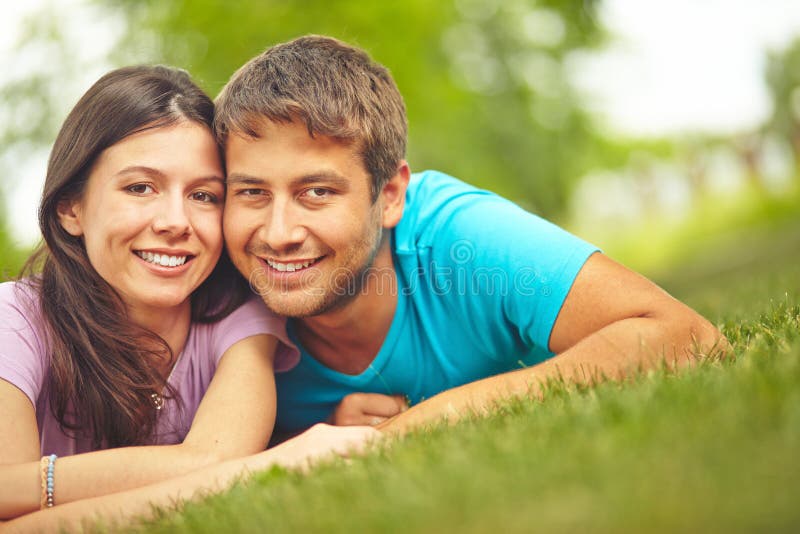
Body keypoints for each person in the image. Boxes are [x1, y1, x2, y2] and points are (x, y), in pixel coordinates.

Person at [213, 35, 727, 436]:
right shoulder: (218, 303)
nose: (278, 234)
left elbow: (687, 339)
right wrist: (317, 435)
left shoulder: (456, 236)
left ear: (390, 195)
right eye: (252, 193)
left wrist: (431, 418)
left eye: (317, 192)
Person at [0, 65, 378, 523]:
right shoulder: (15, 321)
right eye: (140, 188)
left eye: (204, 196)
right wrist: (278, 464)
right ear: (70, 207)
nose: (175, 222)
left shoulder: (238, 317)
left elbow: (213, 462)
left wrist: (34, 489)